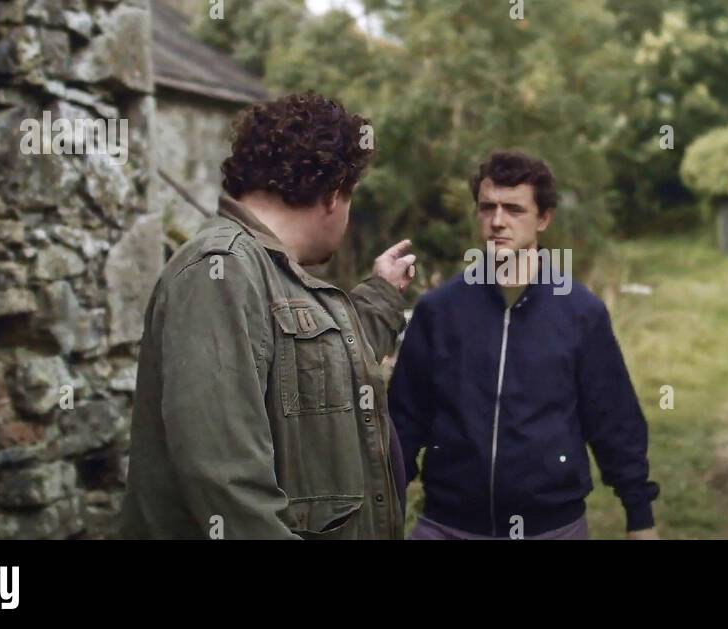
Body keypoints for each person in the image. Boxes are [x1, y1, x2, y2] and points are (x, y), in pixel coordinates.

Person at [121, 93, 417, 539]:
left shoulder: (265, 270)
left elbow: (319, 369)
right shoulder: (219, 270)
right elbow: (224, 477)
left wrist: (381, 294)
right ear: (334, 195)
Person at [389, 150, 660, 540]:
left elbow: (614, 419)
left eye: (514, 209)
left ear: (543, 218)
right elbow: (404, 422)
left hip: (552, 527)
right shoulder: (438, 310)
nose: (497, 221)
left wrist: (640, 516)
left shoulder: (581, 312)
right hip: (446, 525)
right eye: (487, 208)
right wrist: (383, 509)